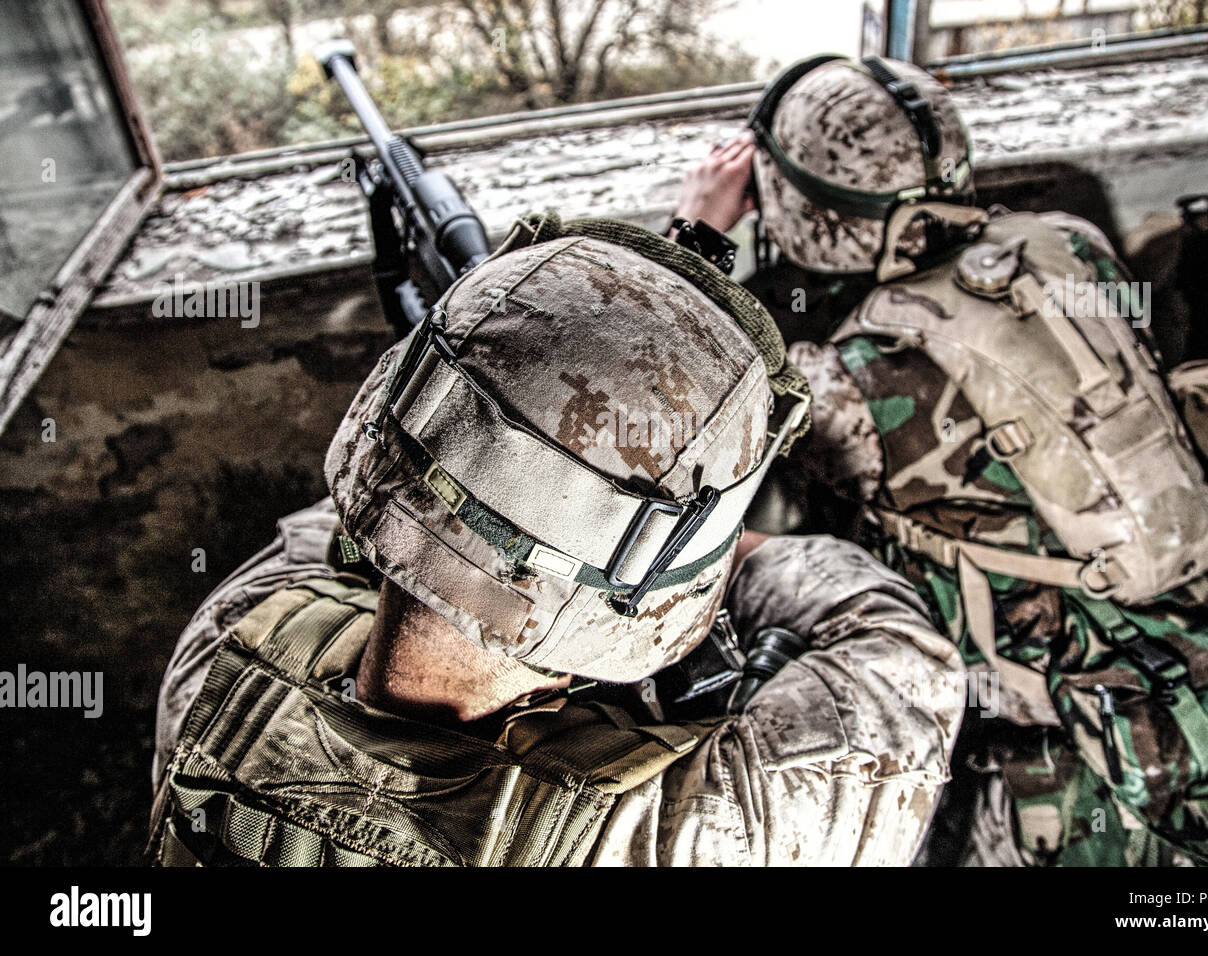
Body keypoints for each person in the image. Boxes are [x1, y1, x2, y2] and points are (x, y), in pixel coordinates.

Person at [149, 211, 966, 867]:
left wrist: (512, 382)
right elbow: (898, 652)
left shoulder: (223, 659)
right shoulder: (715, 830)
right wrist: (723, 554)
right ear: (652, 595)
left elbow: (359, 514)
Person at [671, 54, 1208, 866]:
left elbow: (671, 426)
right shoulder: (1072, 245)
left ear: (800, 210)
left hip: (1044, 734)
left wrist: (696, 236)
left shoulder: (842, 384)